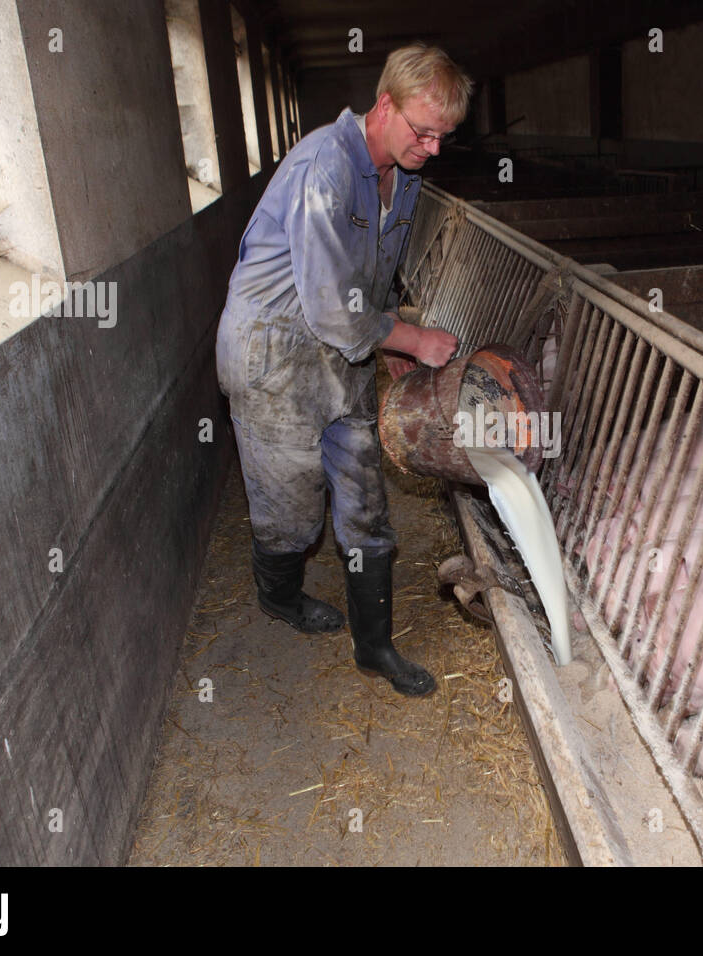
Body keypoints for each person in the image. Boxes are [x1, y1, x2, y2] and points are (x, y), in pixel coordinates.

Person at [215, 44, 469, 696]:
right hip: (273, 353)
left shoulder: (405, 176)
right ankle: (279, 595)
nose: (433, 148)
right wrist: (413, 337)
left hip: (340, 348)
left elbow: (369, 279)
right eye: (423, 131)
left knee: (363, 501)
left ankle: (375, 646)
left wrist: (385, 335)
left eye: (444, 136)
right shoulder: (323, 169)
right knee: (293, 511)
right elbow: (331, 304)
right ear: (384, 105)